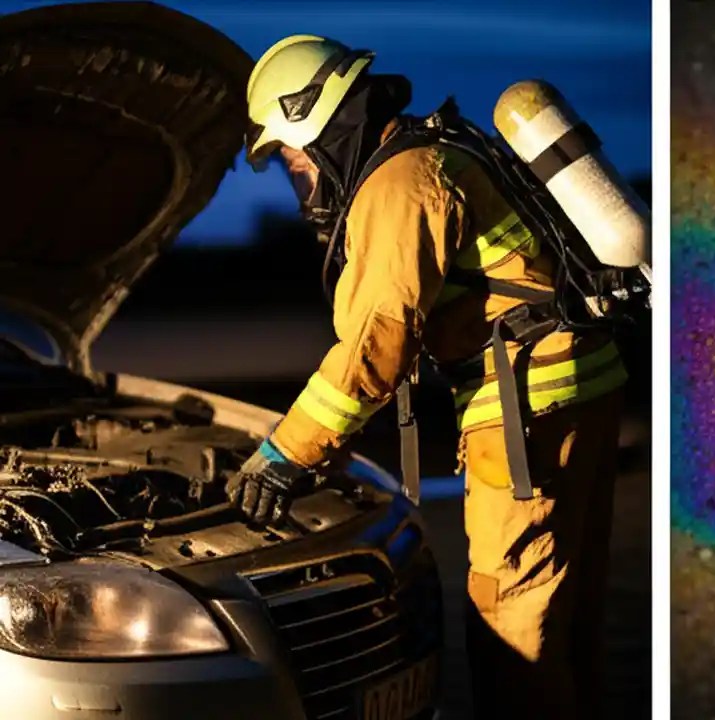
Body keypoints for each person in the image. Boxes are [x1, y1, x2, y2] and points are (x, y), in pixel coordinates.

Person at [225, 34, 629, 719]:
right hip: (579, 390)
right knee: (567, 619)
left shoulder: (397, 183)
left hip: (527, 412)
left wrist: (283, 455)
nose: (301, 182)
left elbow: (373, 345)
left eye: (294, 159)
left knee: (514, 625)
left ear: (318, 126)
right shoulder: (435, 151)